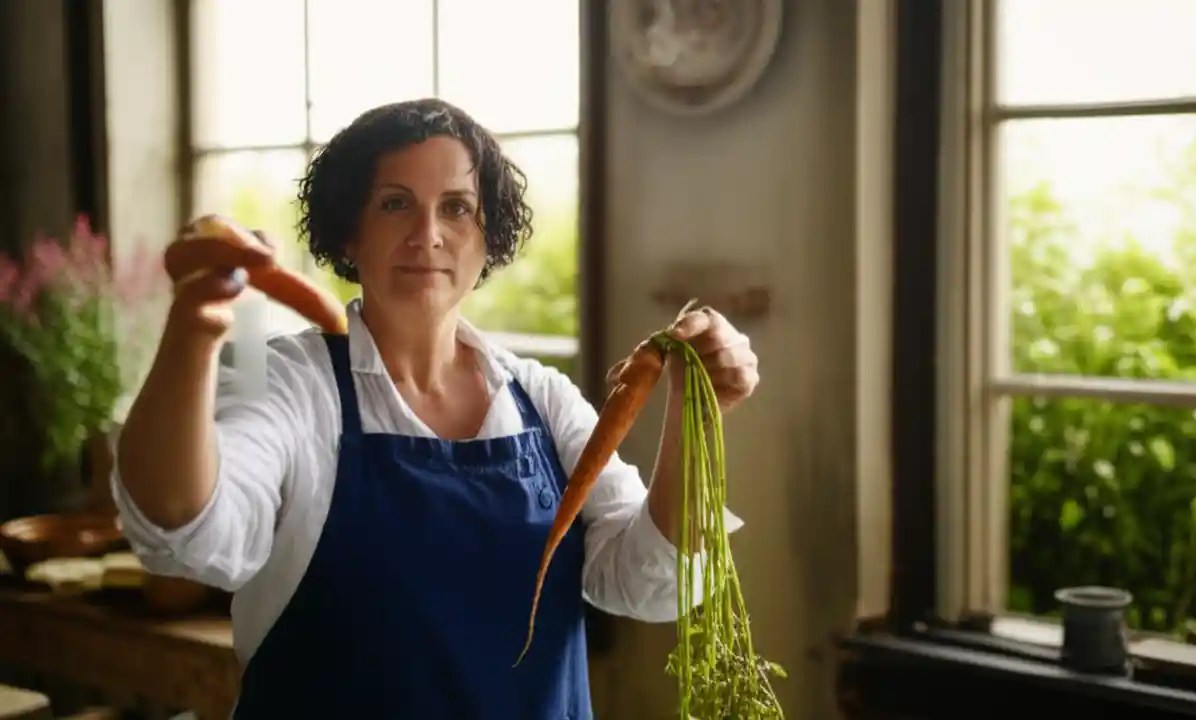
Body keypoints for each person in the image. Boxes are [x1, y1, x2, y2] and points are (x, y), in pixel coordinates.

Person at [111, 98, 759, 718]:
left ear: (488, 239)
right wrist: (194, 330)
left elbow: (650, 580)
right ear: (348, 233)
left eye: (456, 208)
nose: (428, 234)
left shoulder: (541, 397)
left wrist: (696, 411)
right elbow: (188, 535)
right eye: (396, 204)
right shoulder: (277, 375)